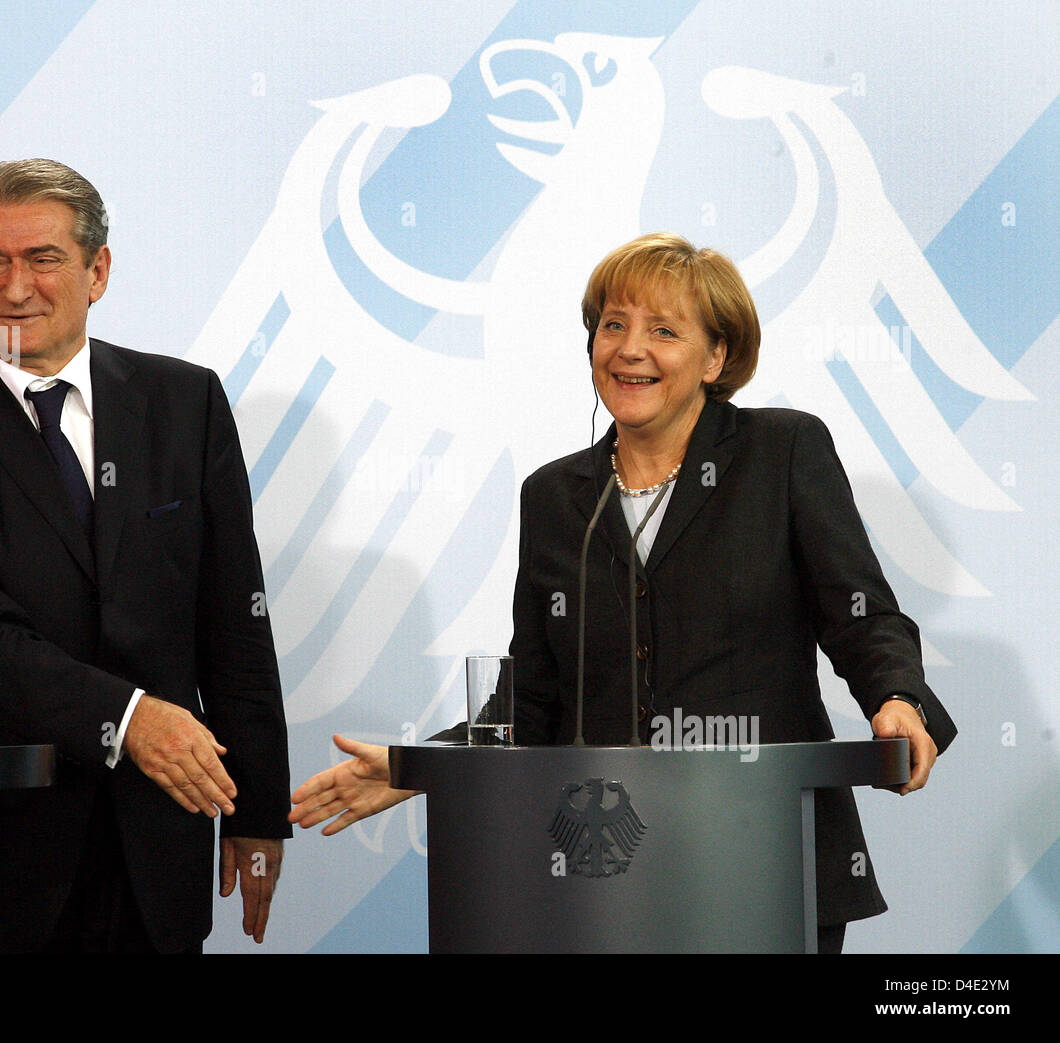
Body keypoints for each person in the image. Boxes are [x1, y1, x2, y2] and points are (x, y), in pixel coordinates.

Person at [290, 232, 955, 951]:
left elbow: (862, 614)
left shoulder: (782, 452)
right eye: (613, 325)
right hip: (605, 881)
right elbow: (535, 698)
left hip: (762, 856)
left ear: (717, 357)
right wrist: (423, 766)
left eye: (663, 330)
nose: (629, 349)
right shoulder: (553, 496)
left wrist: (899, 699)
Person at [0, 159, 291, 953]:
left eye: (42, 258)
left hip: (153, 841)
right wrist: (127, 718)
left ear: (97, 272)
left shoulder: (185, 402)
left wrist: (258, 807)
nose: (13, 285)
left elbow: (234, 618)